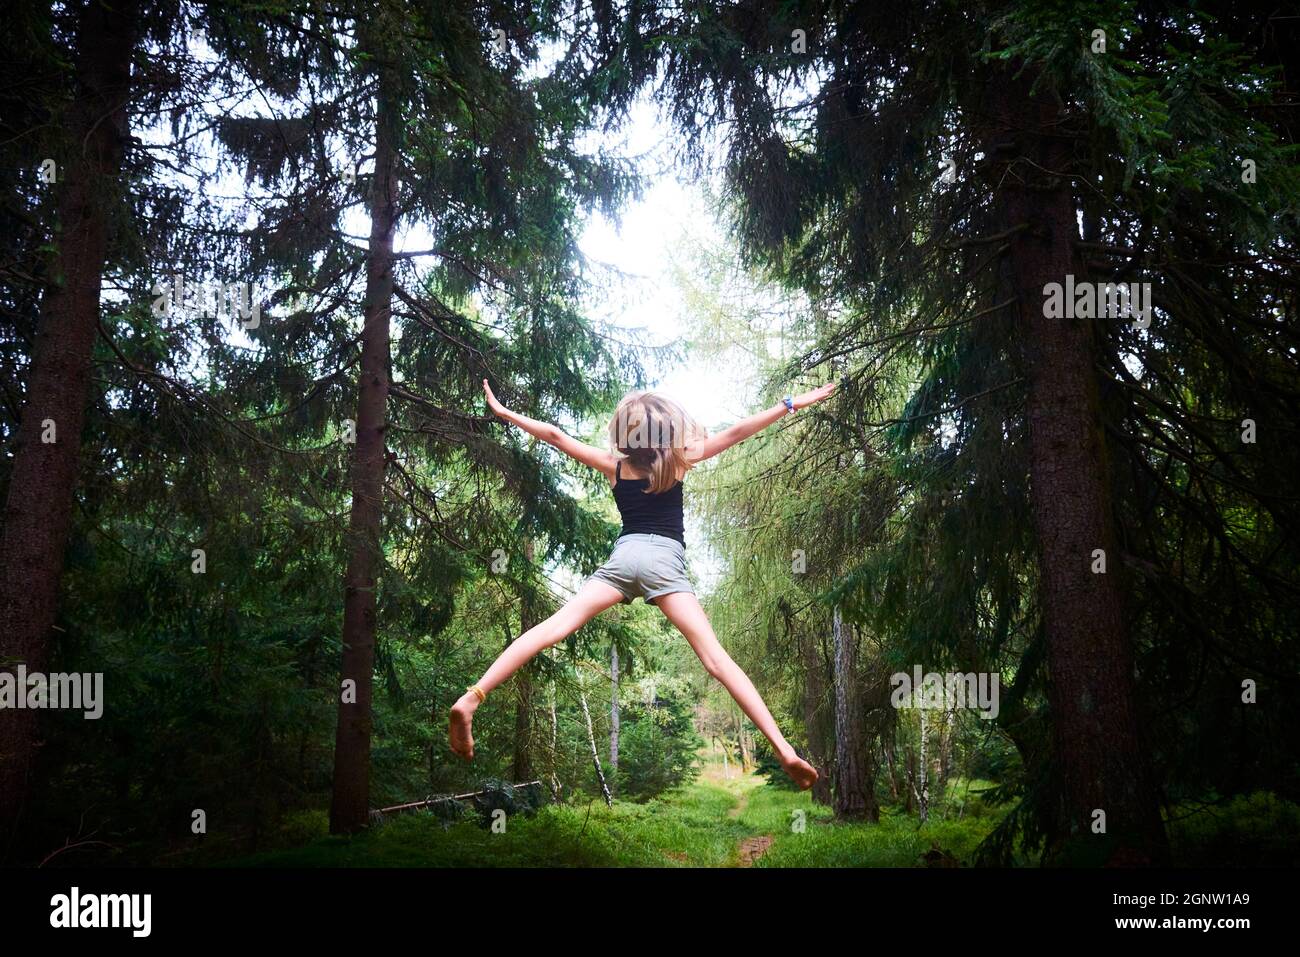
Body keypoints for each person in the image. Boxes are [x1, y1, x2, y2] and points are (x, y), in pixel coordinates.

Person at [449, 378, 837, 789]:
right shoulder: (680, 460)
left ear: (625, 435)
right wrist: (792, 403)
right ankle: (783, 748)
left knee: (553, 628)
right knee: (717, 661)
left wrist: (505, 413)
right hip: (664, 562)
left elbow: (555, 435)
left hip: (625, 556)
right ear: (665, 431)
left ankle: (473, 696)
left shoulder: (615, 466)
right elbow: (740, 431)